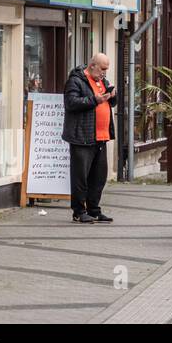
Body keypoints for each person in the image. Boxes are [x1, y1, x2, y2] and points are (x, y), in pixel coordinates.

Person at [62, 53, 118, 224]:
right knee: (80, 176)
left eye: (106, 70)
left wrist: (112, 96)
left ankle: (94, 209)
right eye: (102, 69)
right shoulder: (76, 80)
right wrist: (95, 99)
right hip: (82, 136)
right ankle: (79, 211)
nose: (104, 73)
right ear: (92, 65)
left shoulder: (103, 82)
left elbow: (110, 104)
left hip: (101, 136)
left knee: (99, 176)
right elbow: (71, 103)